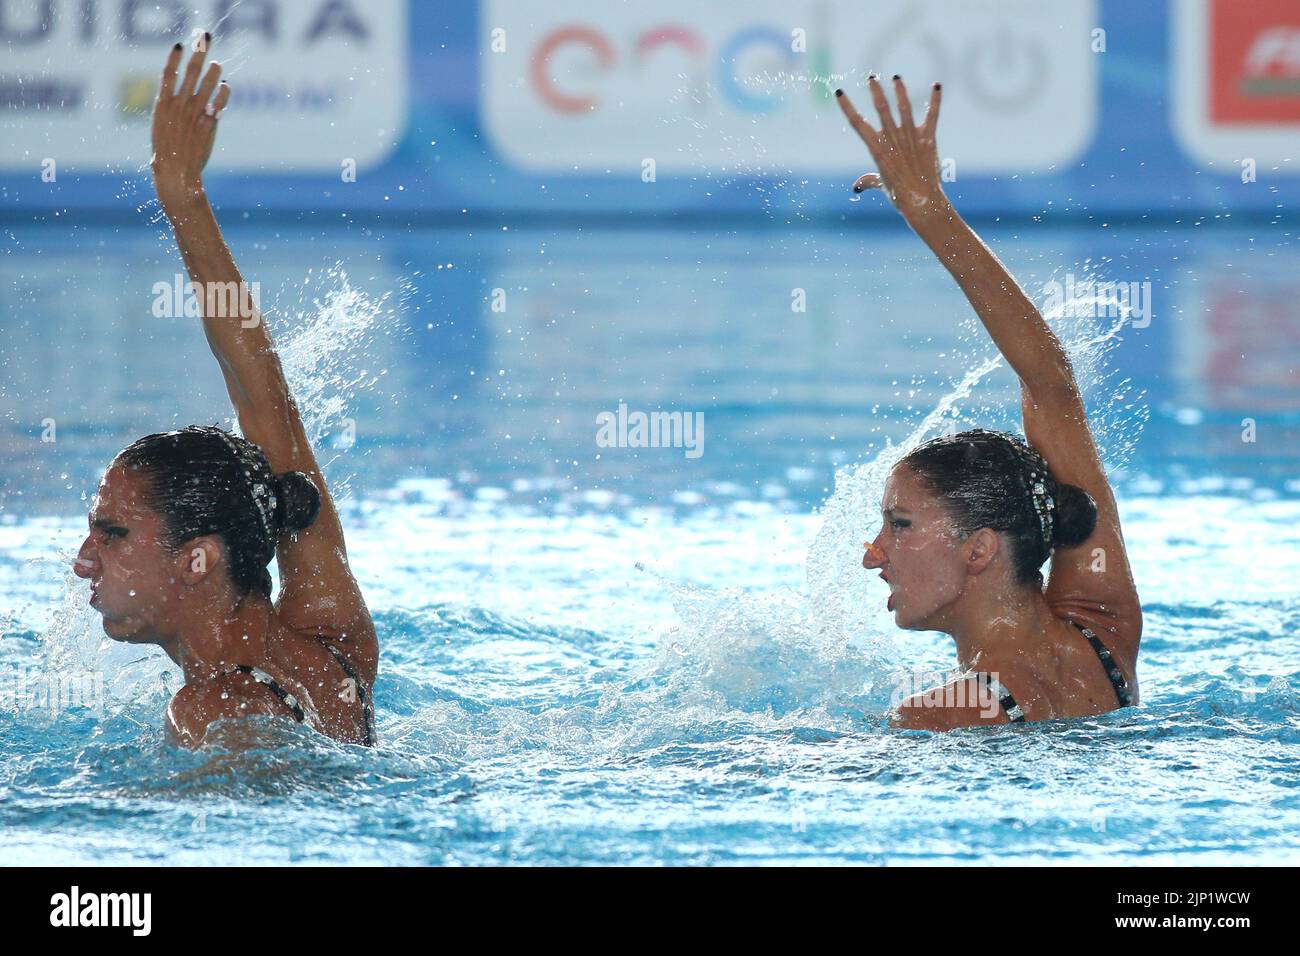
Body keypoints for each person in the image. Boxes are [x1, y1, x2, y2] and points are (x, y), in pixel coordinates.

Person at [72, 36, 376, 747]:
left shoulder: (209, 713)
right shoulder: (333, 648)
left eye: (113, 533)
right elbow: (264, 396)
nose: (84, 559)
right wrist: (183, 194)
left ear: (198, 559)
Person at [836, 77, 1141, 729]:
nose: (872, 552)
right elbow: (1052, 388)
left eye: (900, 525)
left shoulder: (944, 715)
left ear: (978, 551)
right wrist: (932, 213)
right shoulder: (1104, 639)